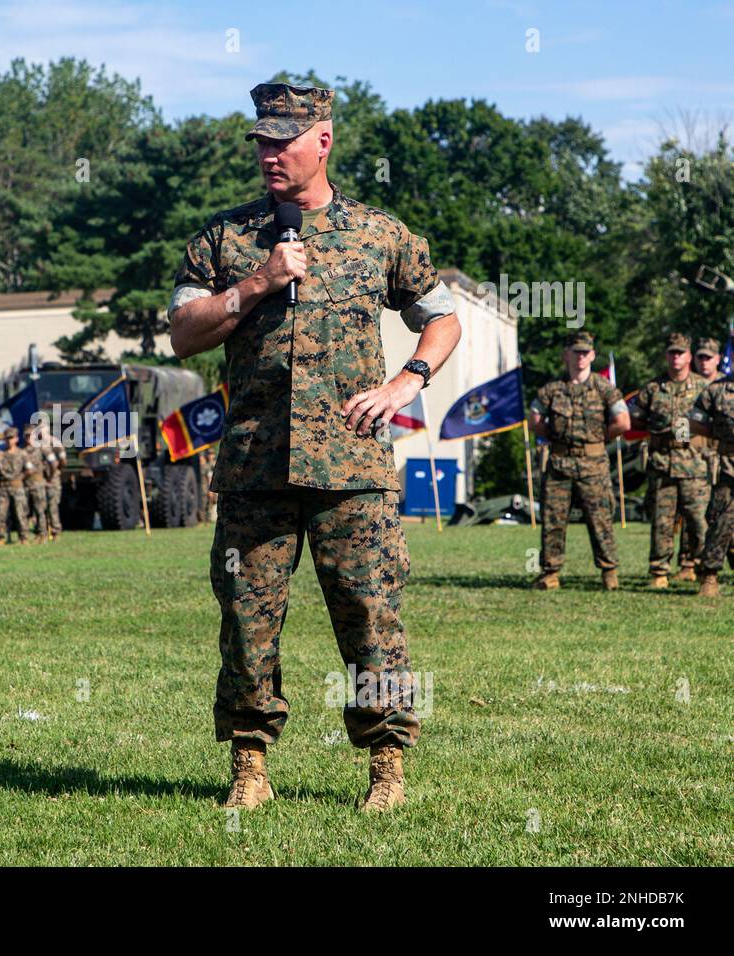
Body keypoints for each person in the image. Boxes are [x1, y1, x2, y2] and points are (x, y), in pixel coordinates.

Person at [167, 82, 461, 812]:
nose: (269, 154)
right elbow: (184, 331)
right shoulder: (226, 239)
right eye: (261, 141)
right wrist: (259, 282)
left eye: (284, 141)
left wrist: (406, 383)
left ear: (322, 141)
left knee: (370, 614)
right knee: (246, 619)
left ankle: (387, 764)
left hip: (352, 467)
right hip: (255, 466)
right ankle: (250, 766)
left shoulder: (379, 235)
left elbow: (445, 319)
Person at [530, 331, 631, 591]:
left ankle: (609, 572)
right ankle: (550, 572)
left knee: (600, 519)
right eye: (576, 352)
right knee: (553, 519)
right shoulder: (552, 390)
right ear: (567, 355)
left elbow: (623, 422)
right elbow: (535, 421)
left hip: (593, 464)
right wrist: (556, 438)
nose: (581, 356)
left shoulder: (604, 388)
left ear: (593, 356)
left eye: (586, 352)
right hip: (560, 462)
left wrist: (598, 440)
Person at [631, 333, 709, 587]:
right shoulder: (653, 388)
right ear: (666, 356)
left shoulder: (702, 387)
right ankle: (659, 571)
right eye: (672, 353)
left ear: (689, 356)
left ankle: (694, 564)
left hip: (694, 463)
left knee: (698, 519)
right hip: (662, 462)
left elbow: (715, 419)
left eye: (681, 353)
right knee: (662, 520)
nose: (676, 357)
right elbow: (634, 419)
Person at [689, 361, 734, 597]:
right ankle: (710, 577)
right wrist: (719, 435)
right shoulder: (716, 390)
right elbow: (694, 422)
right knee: (719, 519)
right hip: (728, 464)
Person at [0, 427, 31, 546]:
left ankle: (23, 537)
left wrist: (20, 478)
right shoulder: (0, 454)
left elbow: (29, 469)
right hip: (3, 487)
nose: (9, 441)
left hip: (17, 486)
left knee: (20, 513)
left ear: (16, 439)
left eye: (11, 438)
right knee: (0, 513)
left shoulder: (22, 453)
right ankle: (0, 537)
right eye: (7, 438)